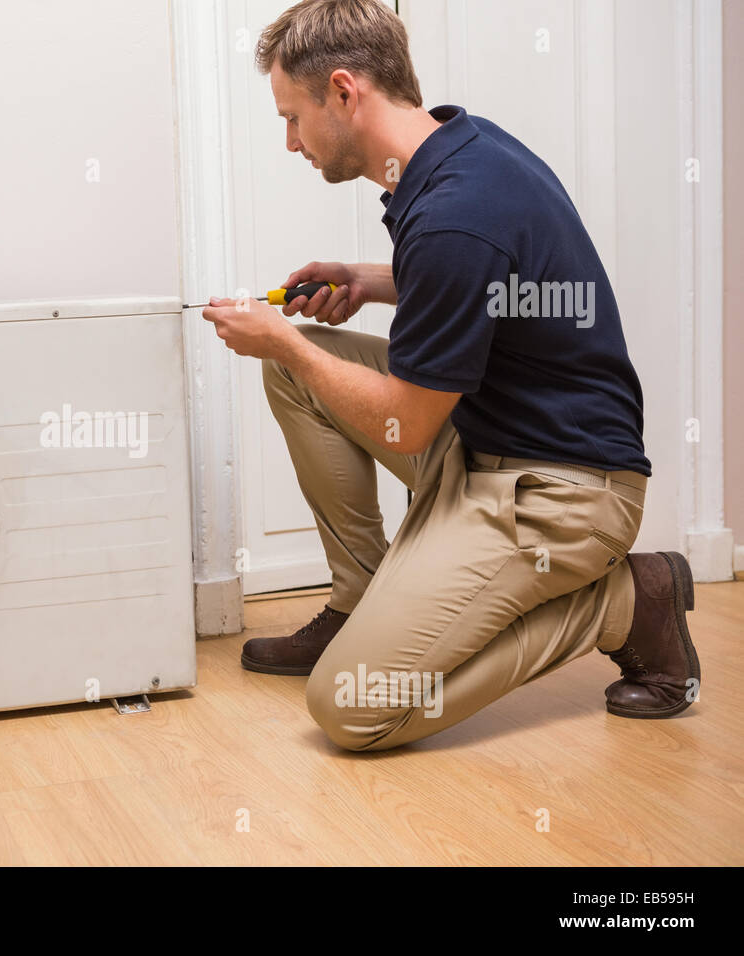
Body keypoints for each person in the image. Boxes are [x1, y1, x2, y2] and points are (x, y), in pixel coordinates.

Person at [200, 0, 699, 751]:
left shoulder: (455, 213)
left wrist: (284, 344)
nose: (290, 142)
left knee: (352, 708)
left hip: (561, 492)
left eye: (294, 117)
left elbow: (406, 423)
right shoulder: (459, 149)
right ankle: (359, 599)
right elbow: (480, 281)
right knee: (302, 369)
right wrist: (369, 281)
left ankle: (625, 602)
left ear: (344, 90)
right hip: (485, 438)